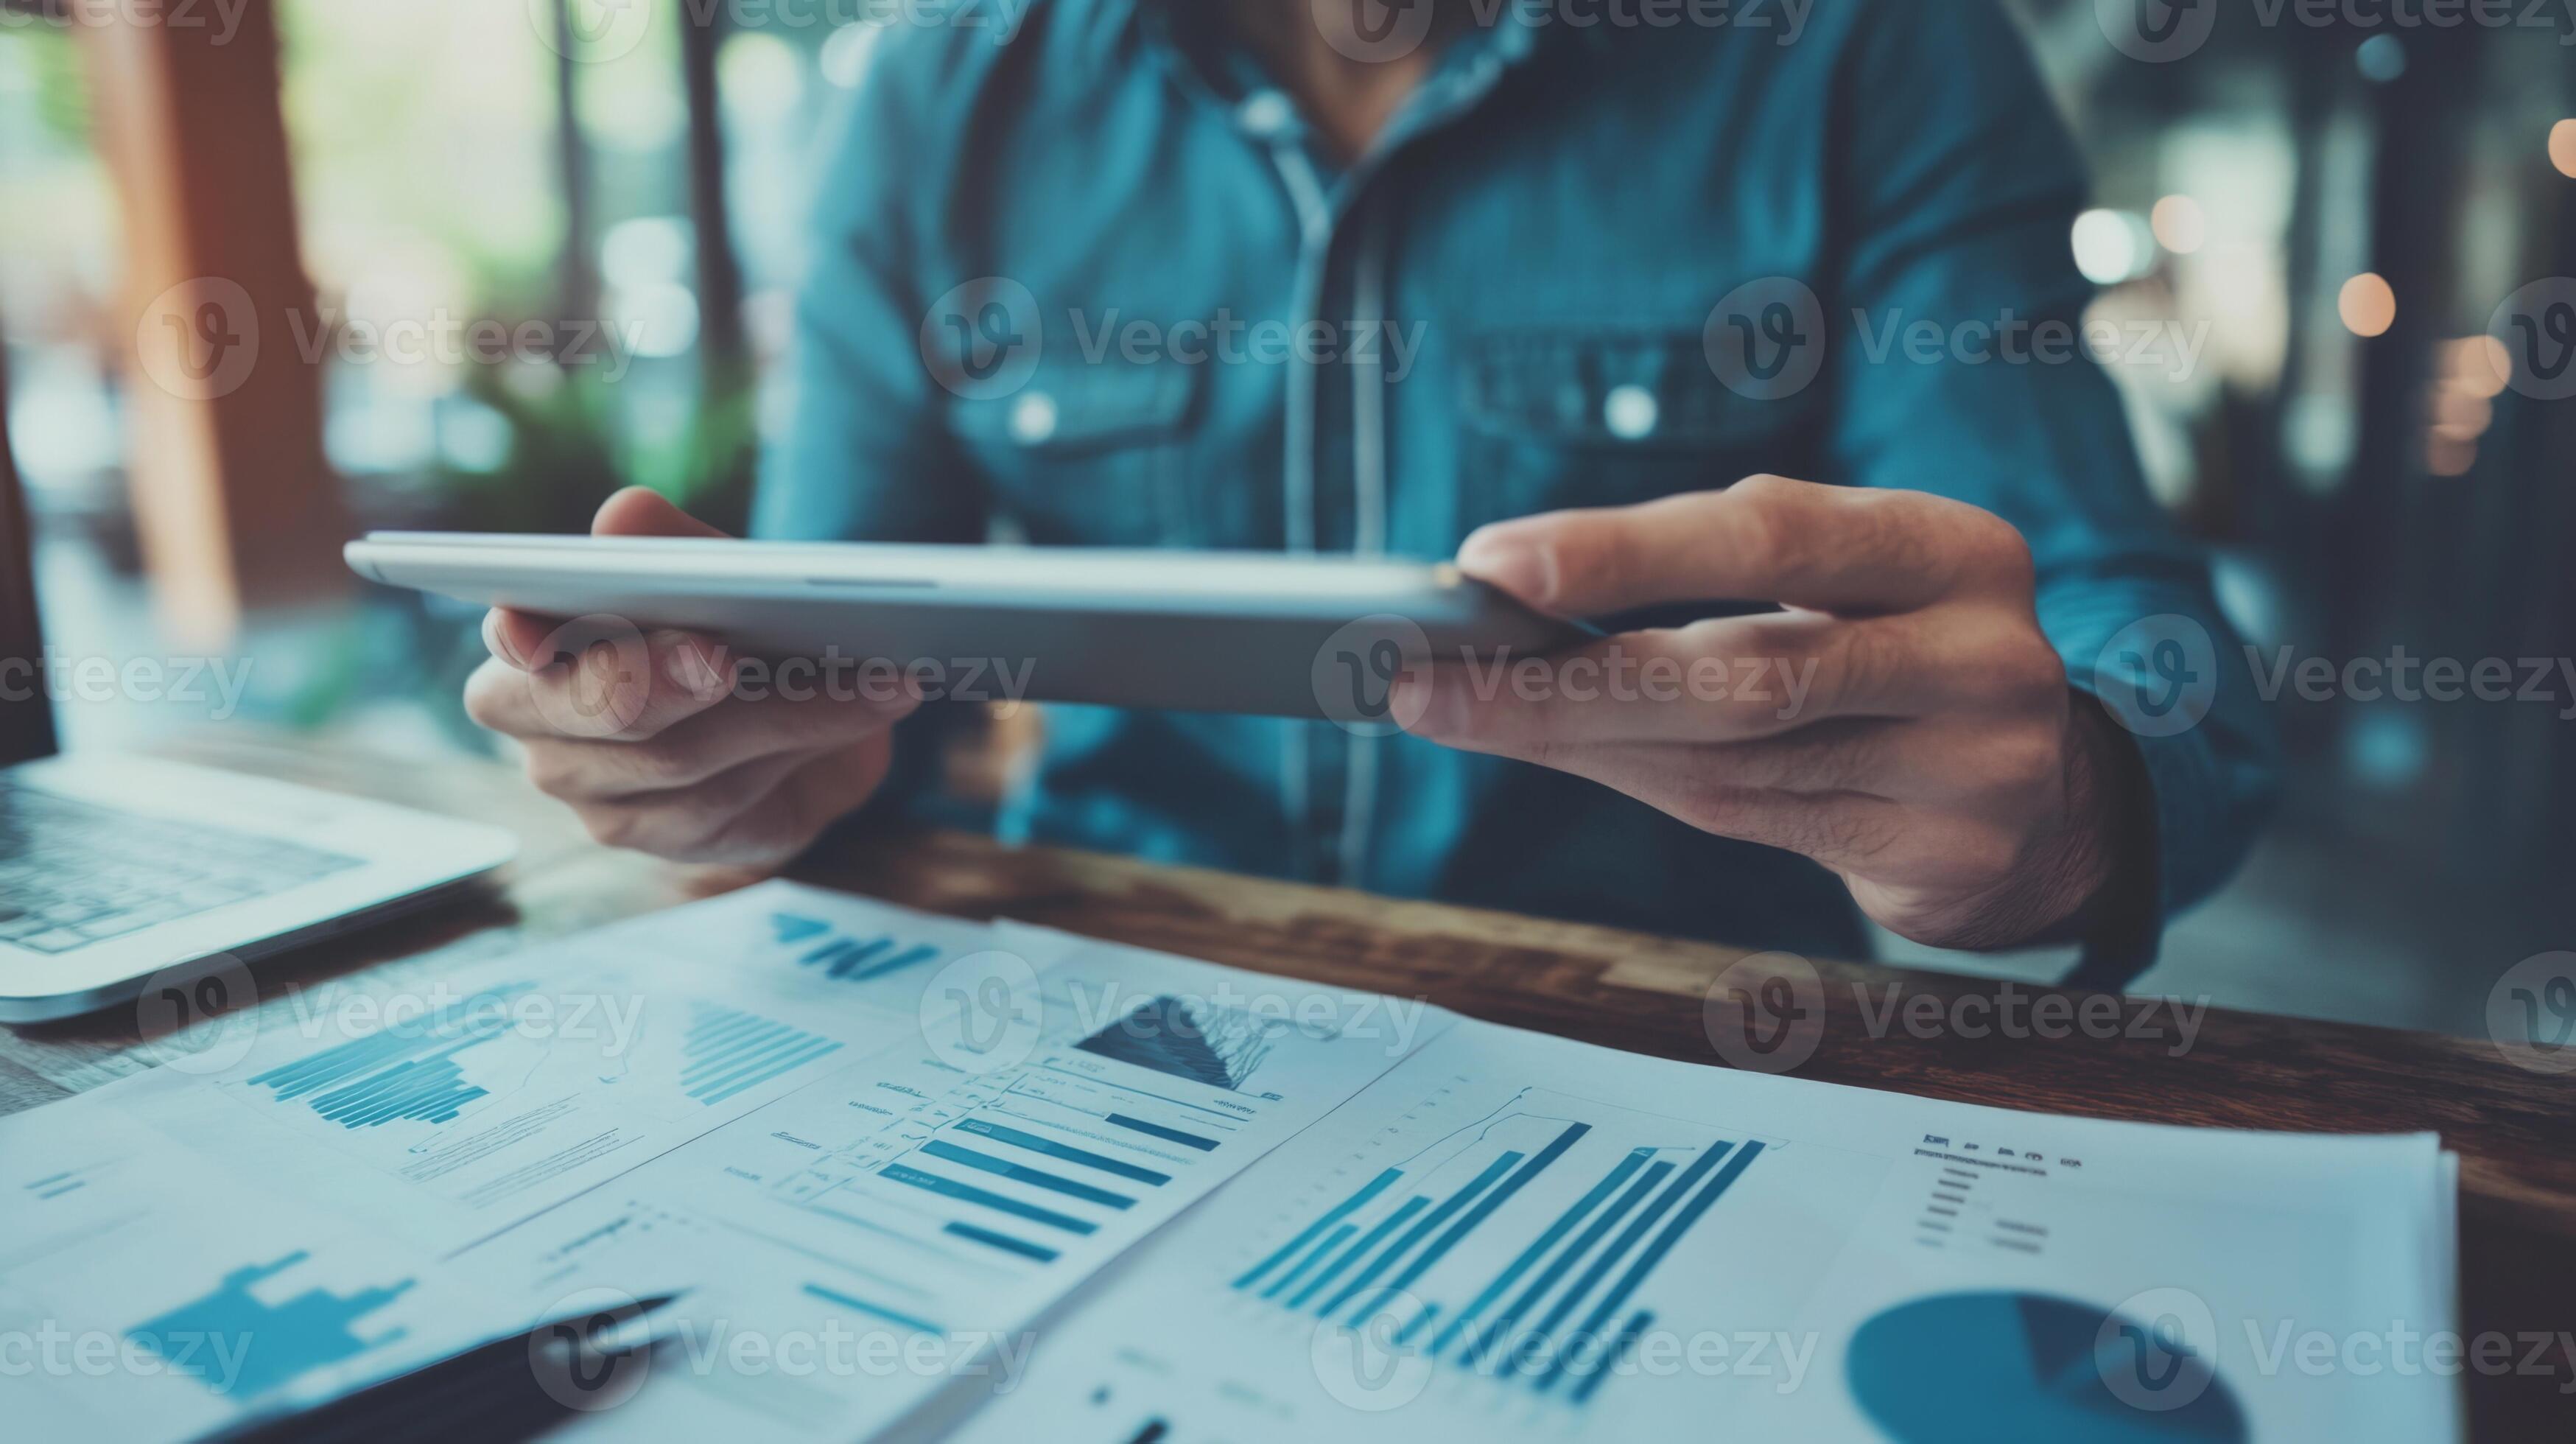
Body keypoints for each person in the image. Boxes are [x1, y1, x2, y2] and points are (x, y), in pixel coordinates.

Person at [467, 0, 2275, 986]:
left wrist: (2058, 809)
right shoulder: (939, 89)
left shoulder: (1873, 52)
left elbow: (2140, 647)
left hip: (1692, 1032)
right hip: (1111, 1002)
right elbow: (844, 669)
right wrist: (752, 756)